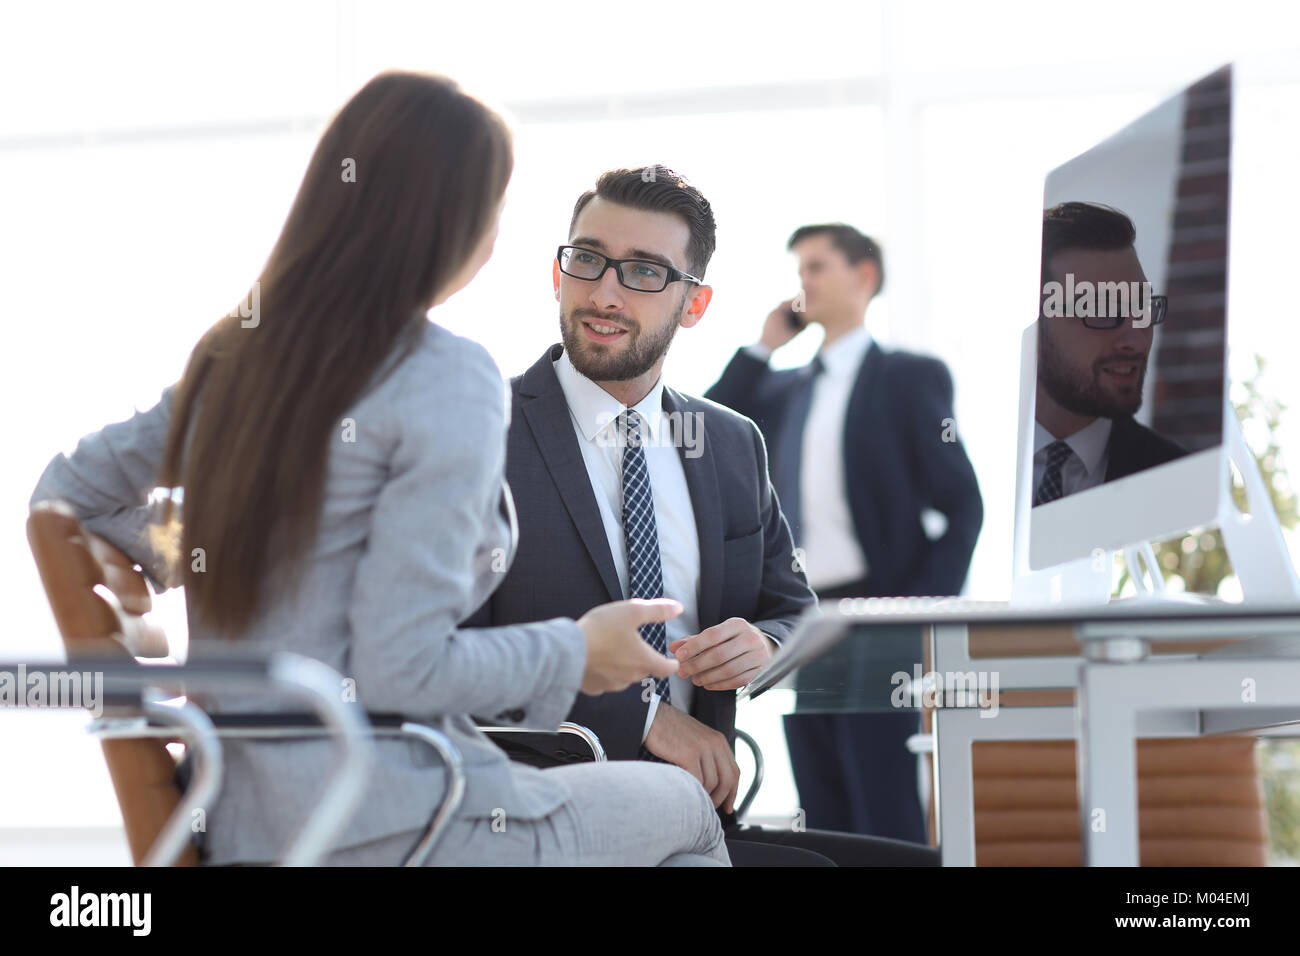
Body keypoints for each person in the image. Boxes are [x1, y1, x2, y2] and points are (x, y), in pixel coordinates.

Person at [29, 72, 729, 867]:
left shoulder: (236, 355)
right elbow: (405, 666)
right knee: (687, 809)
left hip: (246, 822)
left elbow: (65, 496)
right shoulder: (446, 376)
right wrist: (577, 649)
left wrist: (195, 540)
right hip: (396, 826)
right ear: (454, 221)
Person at [464, 167, 939, 866]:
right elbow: (439, 653)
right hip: (544, 817)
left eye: (645, 273)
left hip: (703, 818)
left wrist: (766, 644)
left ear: (695, 305)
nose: (604, 292)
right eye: (588, 259)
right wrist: (646, 718)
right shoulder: (479, 430)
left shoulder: (729, 442)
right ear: (558, 271)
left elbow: (795, 609)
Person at [706, 223, 982, 843]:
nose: (803, 282)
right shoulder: (782, 389)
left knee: (880, 794)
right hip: (802, 618)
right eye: (798, 269)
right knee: (822, 799)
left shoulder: (908, 377)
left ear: (864, 278)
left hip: (877, 611)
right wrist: (763, 347)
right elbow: (703, 432)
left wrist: (917, 610)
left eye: (817, 267)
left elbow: (963, 504)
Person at [1035, 201, 1186, 504]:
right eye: (1103, 309)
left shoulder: (1178, 482)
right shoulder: (963, 451)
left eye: (1142, 308)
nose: (1136, 340)